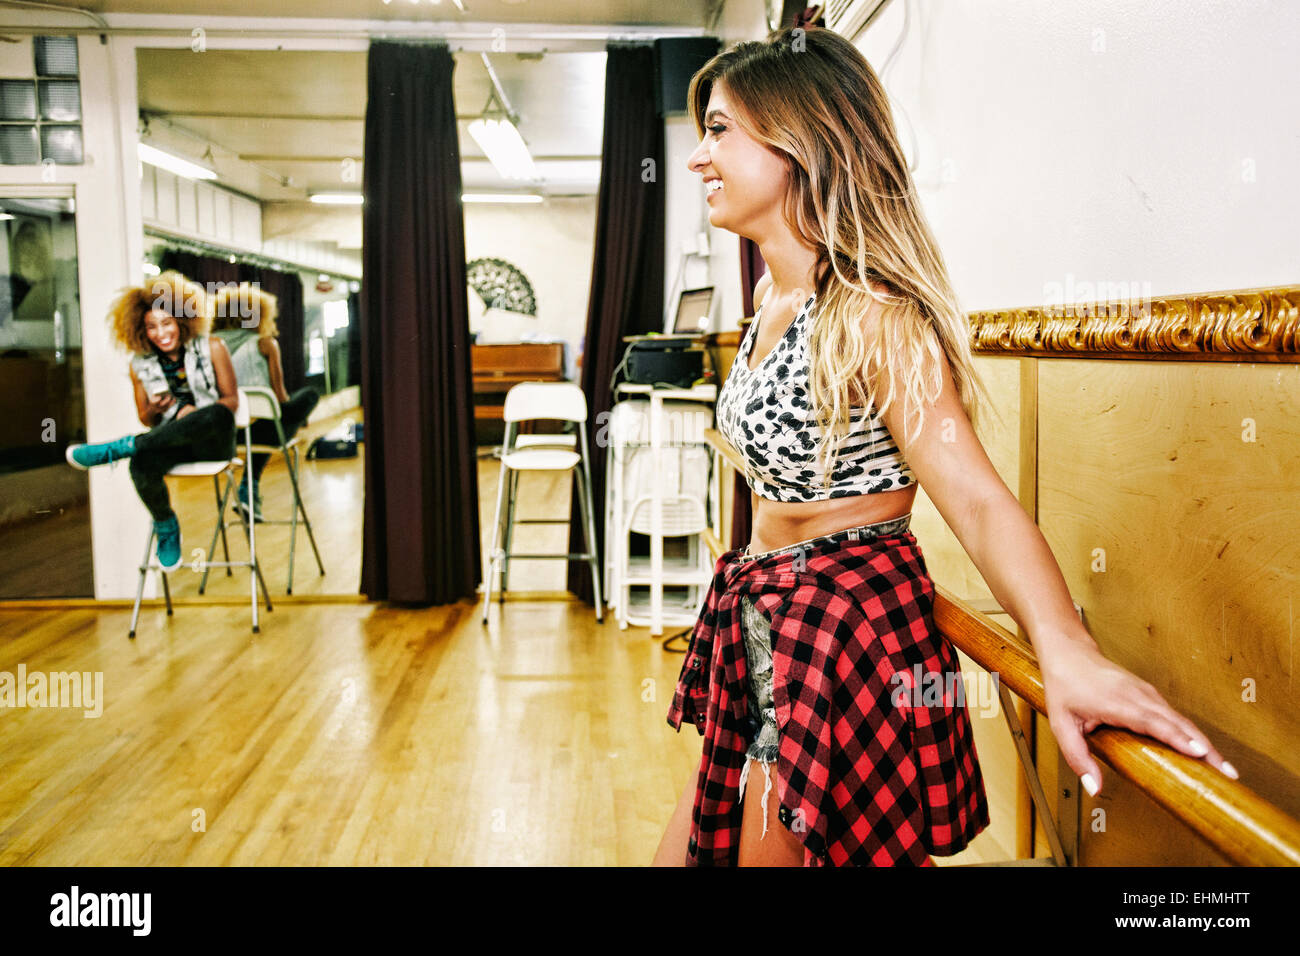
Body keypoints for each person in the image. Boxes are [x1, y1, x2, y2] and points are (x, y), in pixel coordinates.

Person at [654, 26, 1234, 867]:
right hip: (770, 626)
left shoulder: (872, 314)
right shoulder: (769, 306)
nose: (700, 156)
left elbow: (975, 498)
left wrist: (1067, 652)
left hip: (839, 642)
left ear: (799, 140)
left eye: (718, 129)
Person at [64, 271, 239, 572]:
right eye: (151, 327)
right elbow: (145, 419)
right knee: (141, 463)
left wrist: (194, 415)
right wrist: (155, 410)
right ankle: (166, 527)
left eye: (166, 323)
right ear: (141, 331)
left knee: (216, 412)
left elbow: (231, 401)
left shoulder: (213, 347)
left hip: (214, 441)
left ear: (182, 321)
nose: (161, 333)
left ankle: (117, 448)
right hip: (173, 439)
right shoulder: (139, 365)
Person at [210, 283, 320, 522]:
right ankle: (249, 486)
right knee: (308, 396)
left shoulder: (208, 346)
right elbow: (280, 397)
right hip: (263, 432)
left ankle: (249, 490)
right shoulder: (265, 343)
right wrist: (294, 419)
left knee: (260, 428)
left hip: (225, 435)